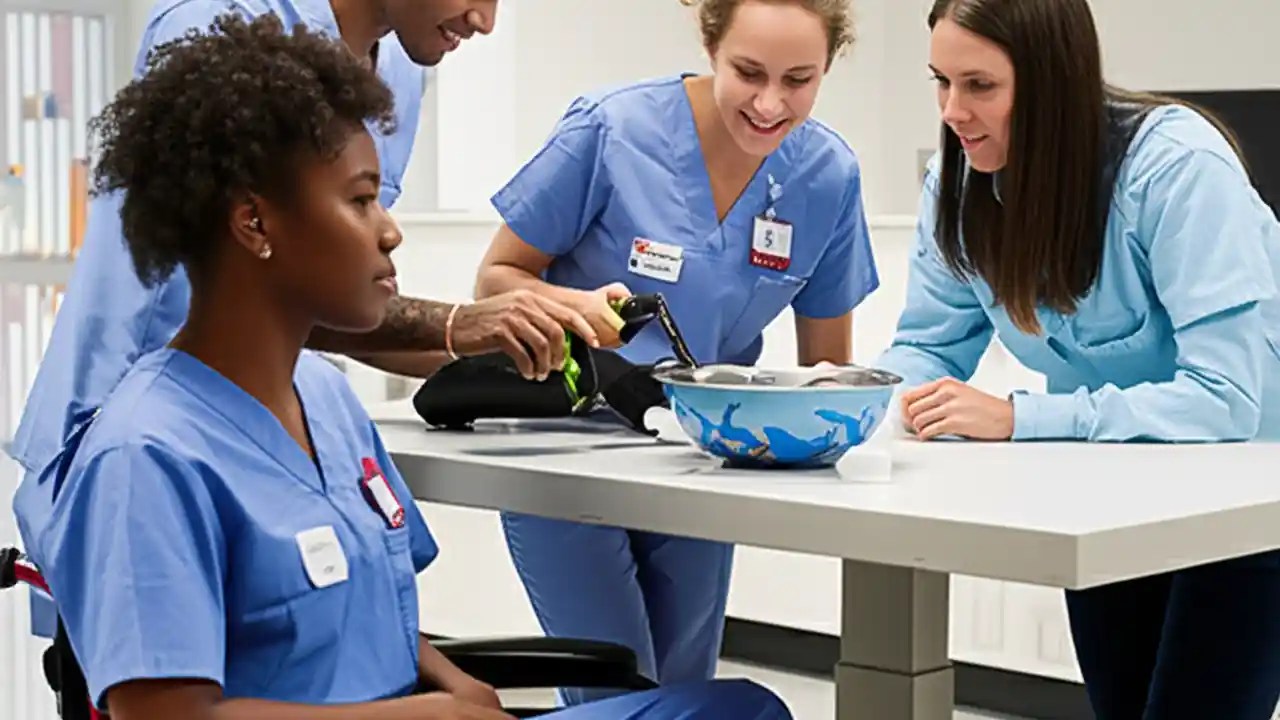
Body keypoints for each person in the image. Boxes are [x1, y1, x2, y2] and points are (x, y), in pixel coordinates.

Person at [12, 15, 793, 720]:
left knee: (739, 709)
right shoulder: (145, 456)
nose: (391, 233)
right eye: (360, 201)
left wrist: (453, 686)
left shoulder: (324, 400)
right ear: (253, 221)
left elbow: (375, 603)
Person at [10, 0, 597, 637]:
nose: (485, 20)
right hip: (155, 426)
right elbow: (248, 284)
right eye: (362, 200)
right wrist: (454, 324)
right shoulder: (217, 23)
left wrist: (500, 342)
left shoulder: (400, 60)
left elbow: (323, 284)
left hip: (267, 426)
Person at [874, 0, 1280, 717]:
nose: (953, 111)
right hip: (1116, 484)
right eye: (940, 81)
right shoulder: (958, 185)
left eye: (980, 86)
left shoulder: (1178, 168)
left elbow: (1224, 398)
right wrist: (847, 406)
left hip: (1252, 489)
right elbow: (927, 349)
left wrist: (1018, 417)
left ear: (1052, 81)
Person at [472, 0, 878, 705]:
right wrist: (576, 309)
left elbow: (827, 372)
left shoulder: (827, 177)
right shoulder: (612, 130)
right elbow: (497, 279)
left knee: (685, 691)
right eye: (748, 72)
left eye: (798, 79)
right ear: (709, 44)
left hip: (703, 457)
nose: (770, 102)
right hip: (561, 446)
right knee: (614, 689)